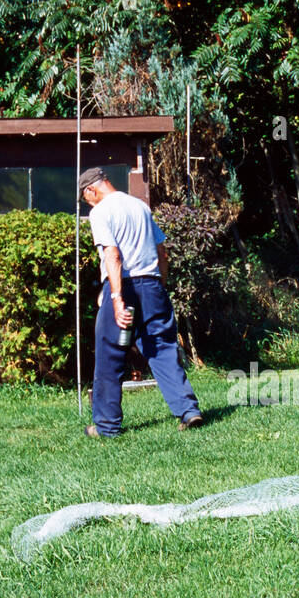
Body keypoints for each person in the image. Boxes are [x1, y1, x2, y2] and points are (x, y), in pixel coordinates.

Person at [79, 166, 203, 437]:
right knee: (162, 349)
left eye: (85, 198)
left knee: (110, 354)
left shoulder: (99, 212)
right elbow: (162, 251)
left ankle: (107, 426)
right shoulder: (140, 206)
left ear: (91, 190)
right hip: (152, 285)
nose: (86, 202)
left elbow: (112, 255)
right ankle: (189, 410)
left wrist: (117, 298)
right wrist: (160, 285)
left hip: (124, 286)